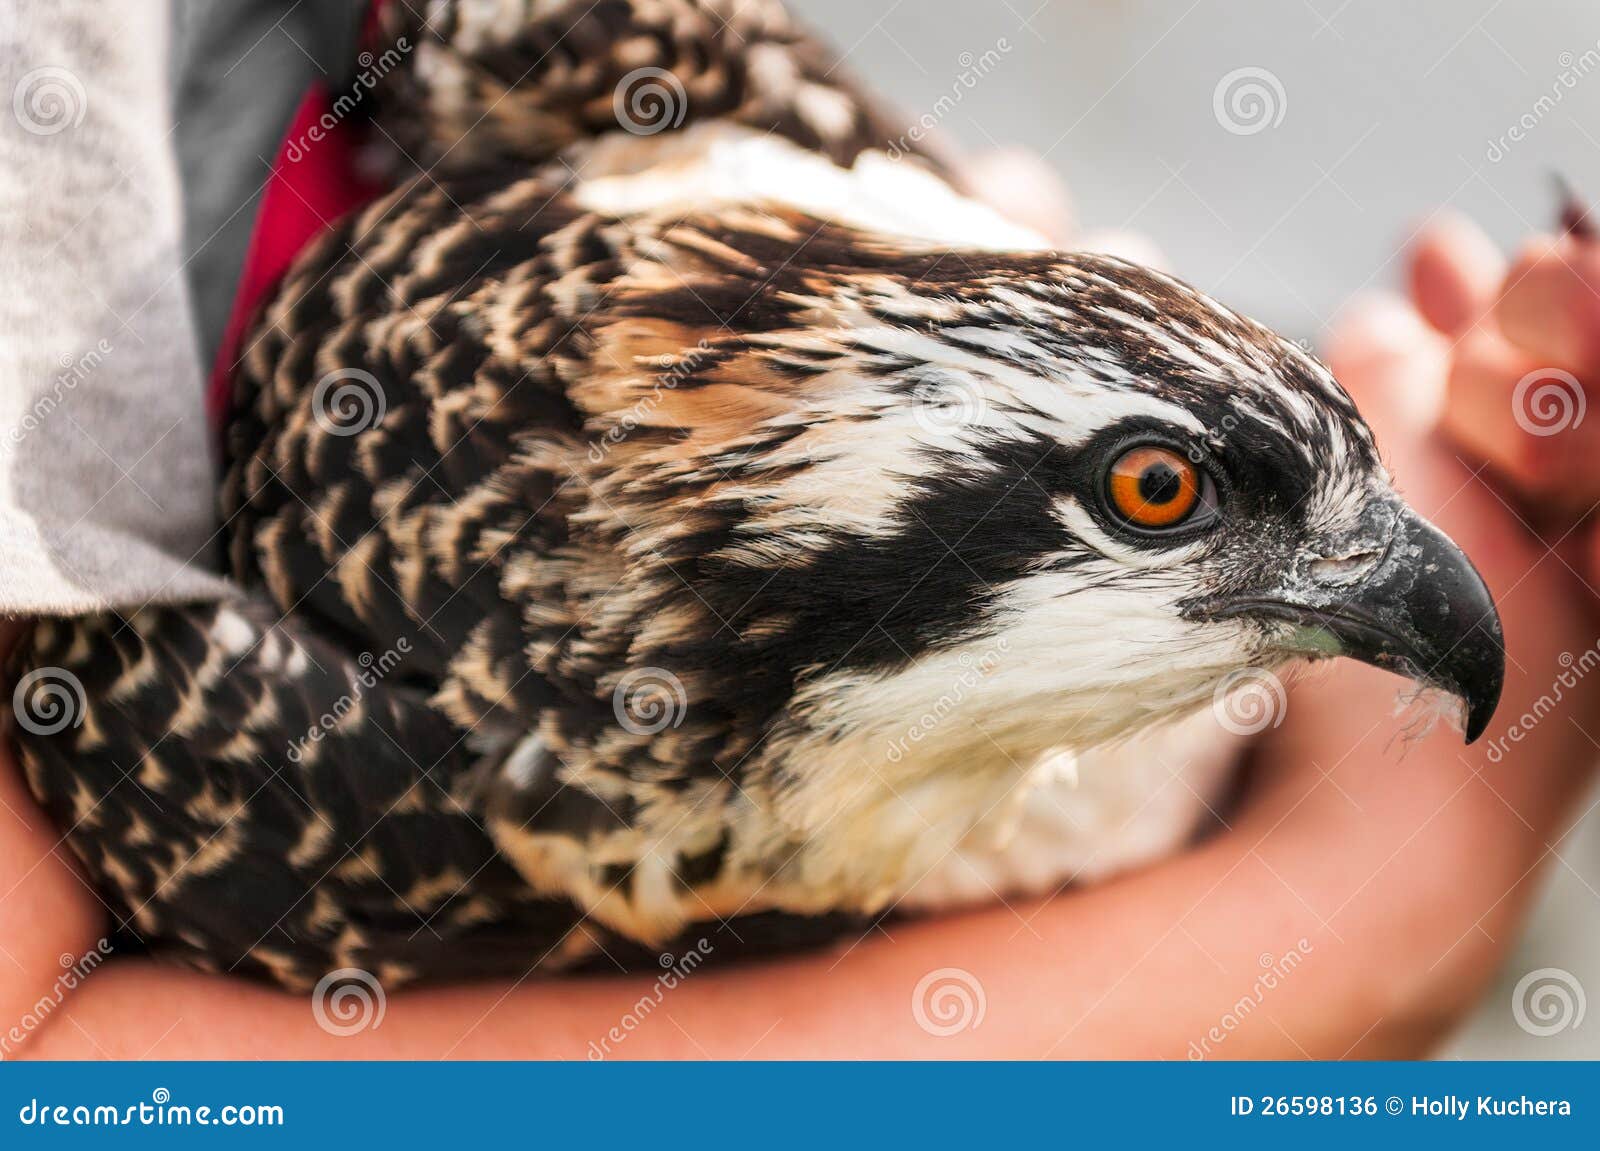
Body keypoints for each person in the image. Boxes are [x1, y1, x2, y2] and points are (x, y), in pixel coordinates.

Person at [2, 2, 1596, 1059]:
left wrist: (1465, 494)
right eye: (1159, 503)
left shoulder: (627, 79)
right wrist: (1350, 916)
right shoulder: (294, 770)